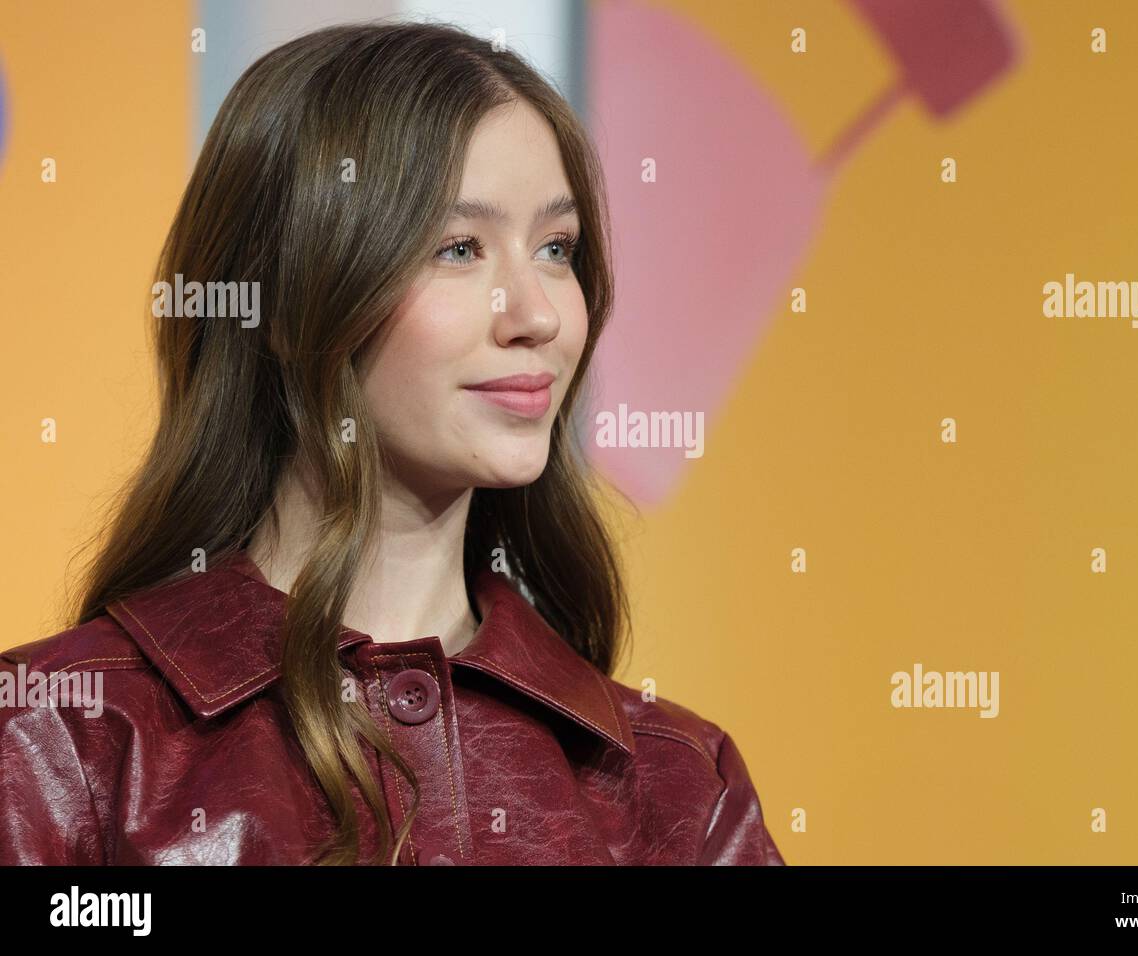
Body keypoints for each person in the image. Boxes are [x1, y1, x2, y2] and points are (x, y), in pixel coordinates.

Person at [0, 21, 784, 866]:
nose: (539, 315)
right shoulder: (58, 737)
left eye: (557, 249)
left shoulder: (677, 788)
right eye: (459, 249)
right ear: (286, 297)